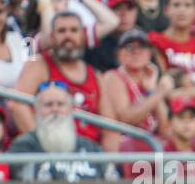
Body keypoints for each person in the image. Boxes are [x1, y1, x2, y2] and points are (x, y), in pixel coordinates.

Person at [13, 12, 118, 149]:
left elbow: (110, 126)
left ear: (83, 36)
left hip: (87, 156)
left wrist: (106, 165)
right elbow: (17, 105)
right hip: (48, 150)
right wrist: (38, 144)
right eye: (62, 31)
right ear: (52, 37)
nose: (68, 36)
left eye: (74, 30)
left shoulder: (95, 75)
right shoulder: (39, 65)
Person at [7, 80, 119, 182]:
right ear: (37, 110)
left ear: (71, 110)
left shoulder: (91, 147)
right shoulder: (24, 146)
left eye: (61, 104)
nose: (55, 109)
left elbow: (112, 182)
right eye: (48, 105)